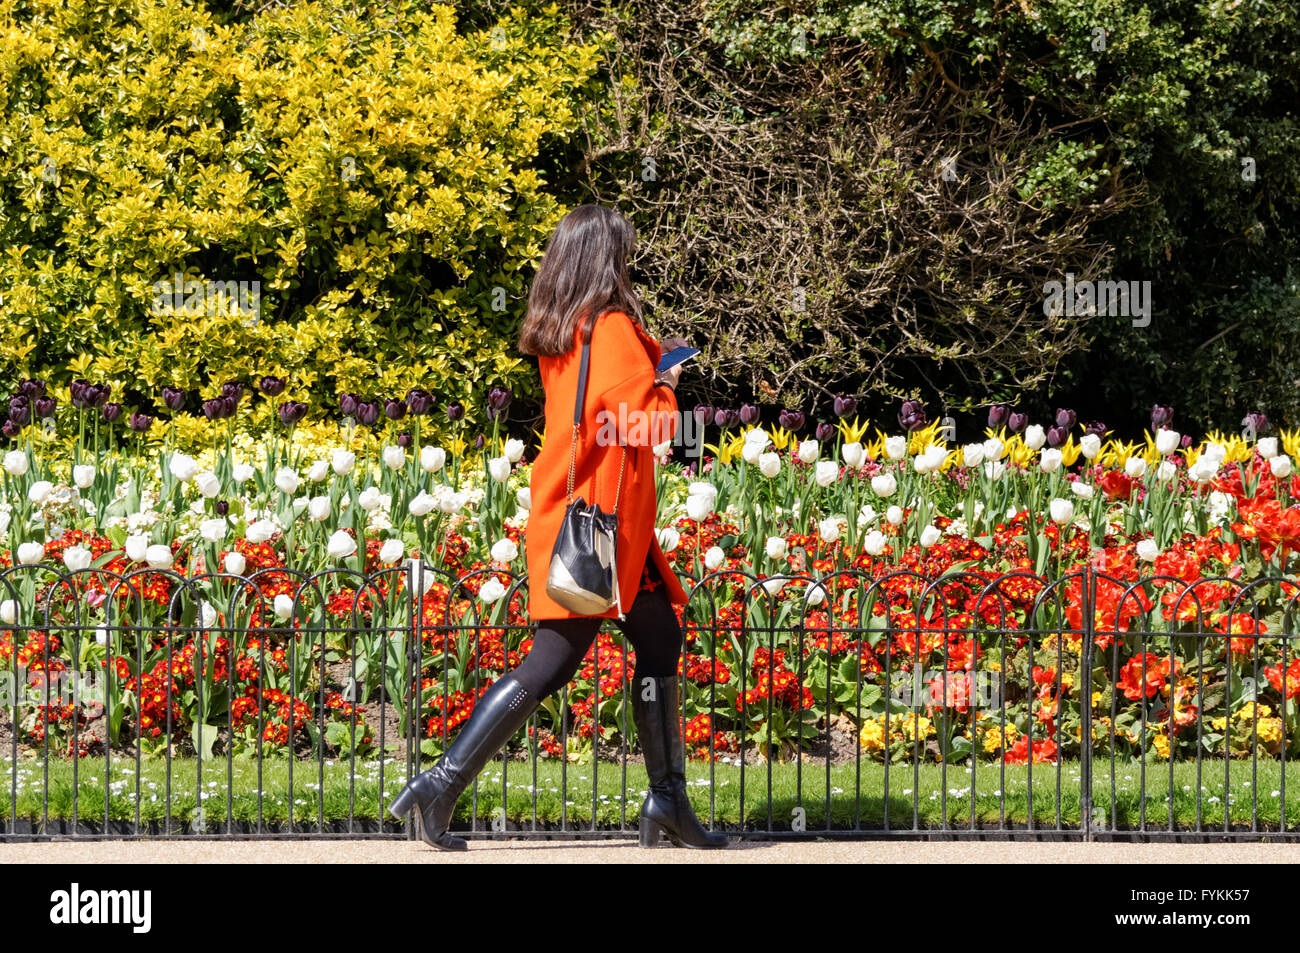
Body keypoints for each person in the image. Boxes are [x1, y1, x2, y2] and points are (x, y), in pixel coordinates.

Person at [388, 204, 729, 851]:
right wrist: (669, 379)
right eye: (624, 252)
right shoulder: (614, 328)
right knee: (552, 660)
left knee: (659, 639)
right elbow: (646, 426)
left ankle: (667, 800)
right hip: (603, 533)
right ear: (608, 260)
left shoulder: (563, 327)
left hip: (583, 518)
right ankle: (439, 783)